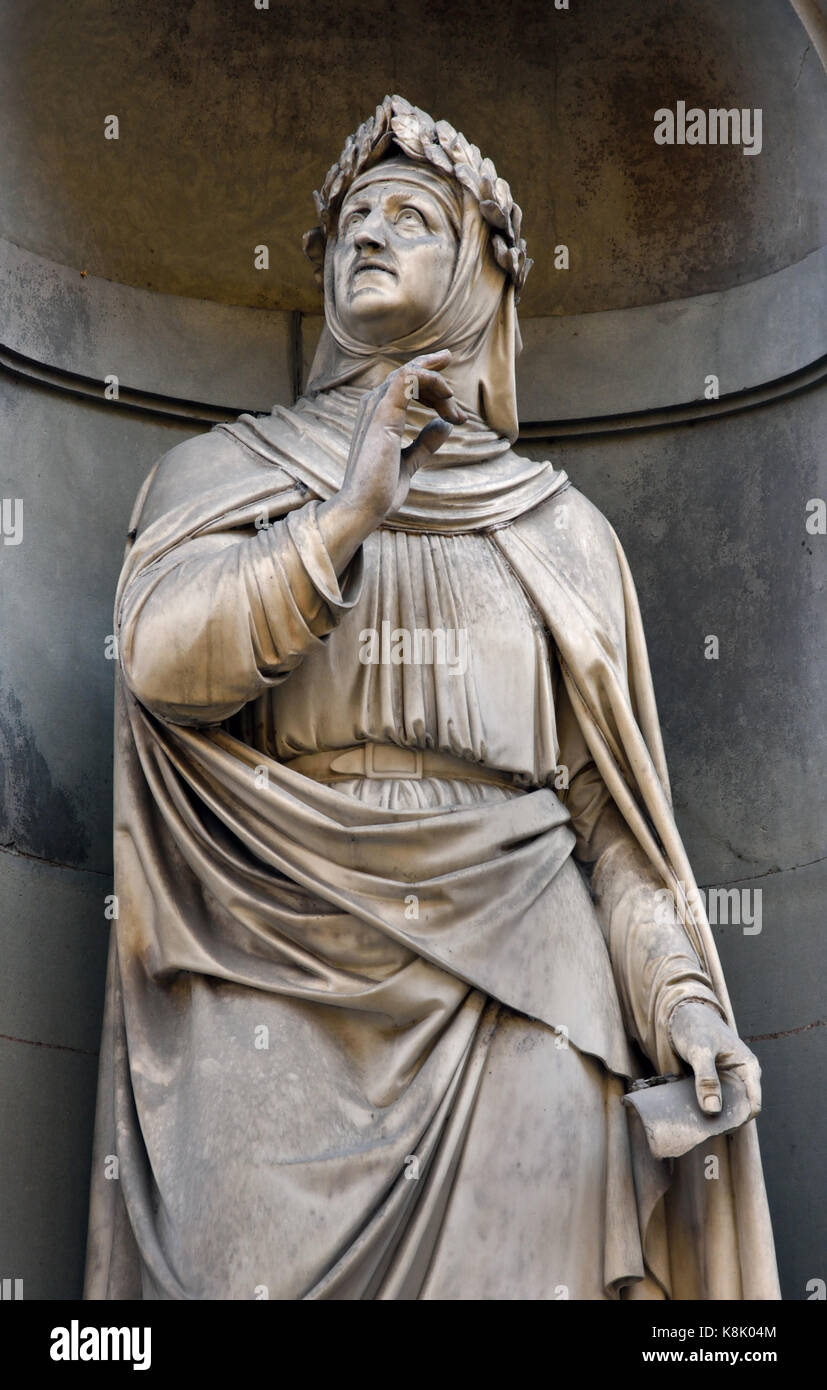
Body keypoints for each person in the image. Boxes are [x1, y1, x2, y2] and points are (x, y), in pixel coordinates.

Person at [84, 95, 780, 1300]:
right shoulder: (217, 474)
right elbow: (156, 662)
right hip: (268, 966)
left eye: (409, 215)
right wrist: (344, 514)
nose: (369, 233)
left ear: (476, 275)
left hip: (523, 990)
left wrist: (679, 1003)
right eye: (354, 215)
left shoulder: (560, 531)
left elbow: (612, 829)